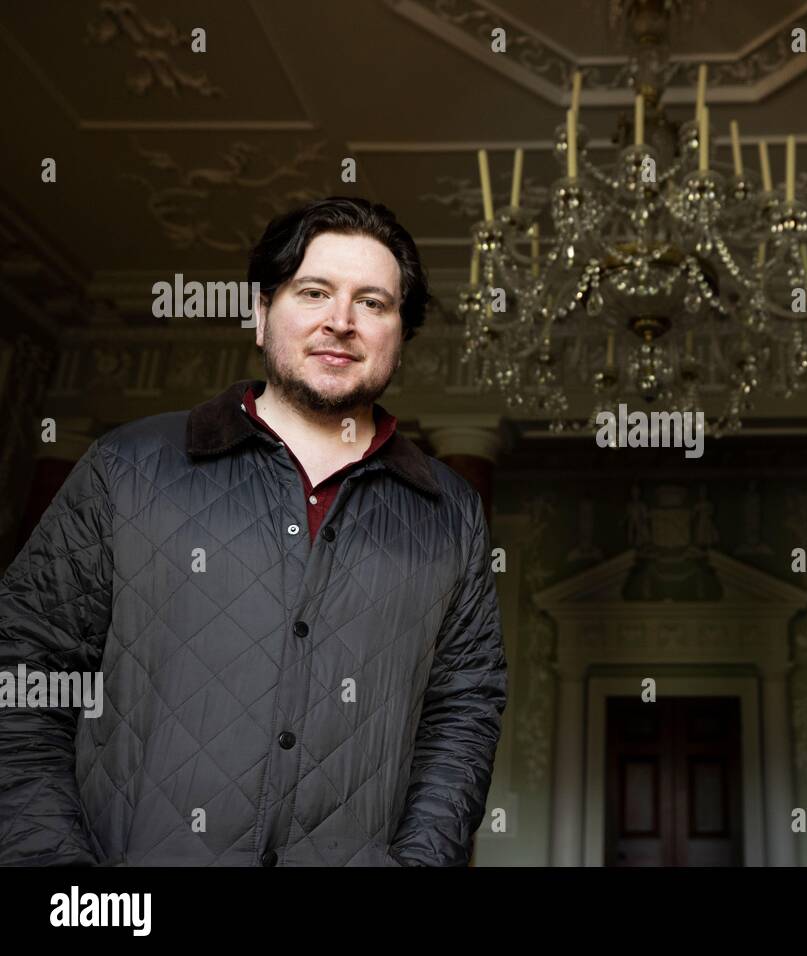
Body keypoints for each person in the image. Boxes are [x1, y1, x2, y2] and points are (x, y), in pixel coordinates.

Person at [0, 197, 507, 866]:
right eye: (315, 291)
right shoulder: (129, 467)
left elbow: (464, 712)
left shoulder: (451, 512)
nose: (340, 321)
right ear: (263, 313)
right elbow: (23, 672)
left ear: (400, 336)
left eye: (373, 303)